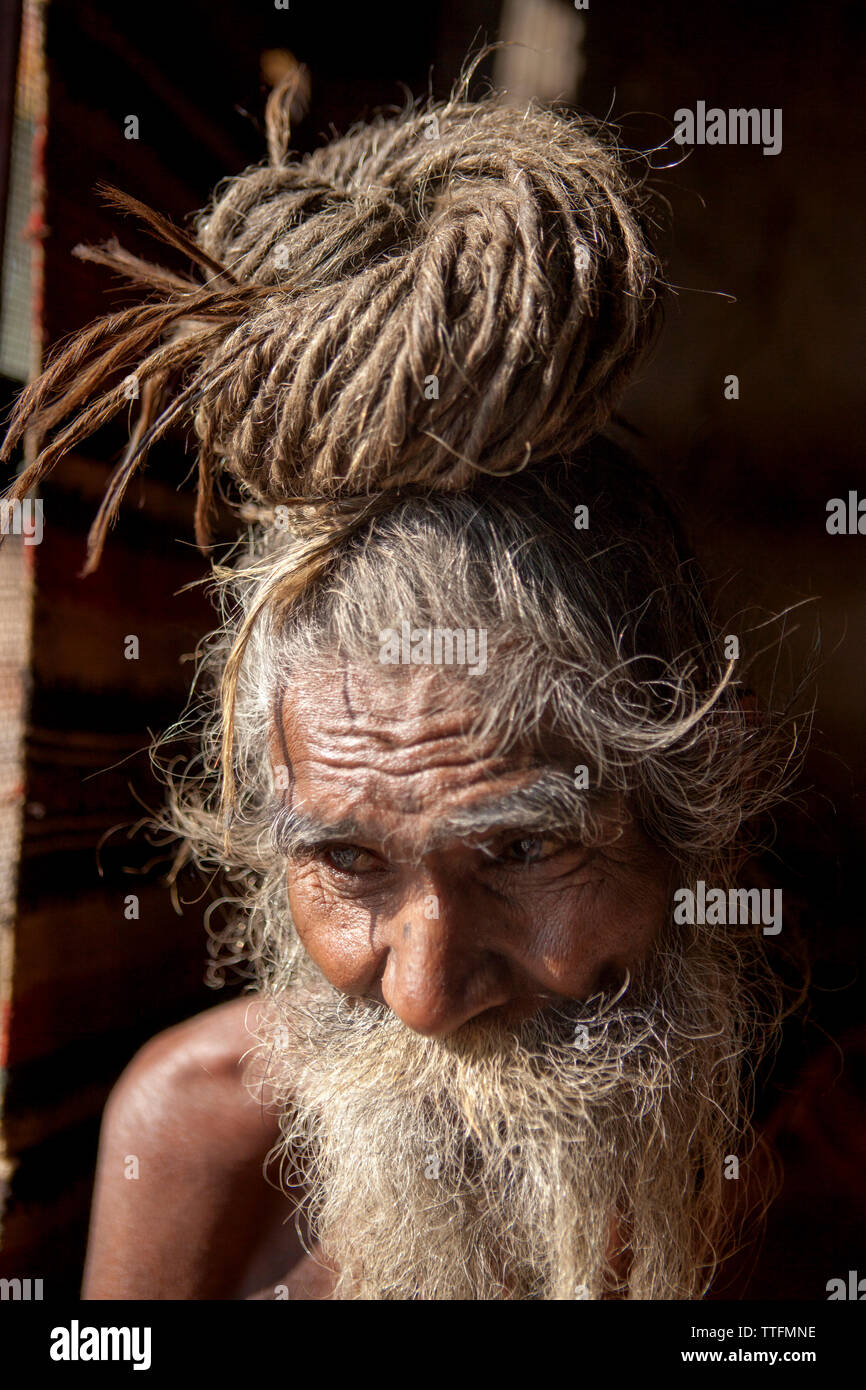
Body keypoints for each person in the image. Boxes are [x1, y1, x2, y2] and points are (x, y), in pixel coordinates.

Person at [1, 69, 806, 1300]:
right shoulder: (195, 1140)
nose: (424, 992)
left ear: (698, 798)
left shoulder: (795, 1191)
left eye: (525, 852)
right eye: (345, 861)